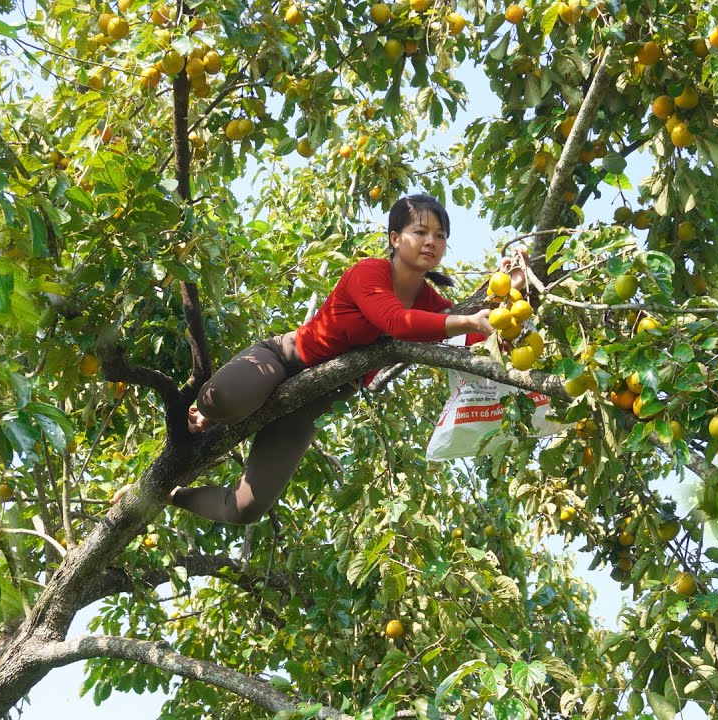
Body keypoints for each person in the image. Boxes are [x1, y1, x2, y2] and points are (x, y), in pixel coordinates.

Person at [165, 194, 521, 525]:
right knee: (221, 400)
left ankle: (169, 493)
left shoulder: (430, 302)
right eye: (420, 231)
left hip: (314, 404)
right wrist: (469, 319)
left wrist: (509, 288)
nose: (432, 241)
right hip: (285, 360)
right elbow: (395, 321)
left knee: (245, 509)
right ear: (395, 238)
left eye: (440, 235)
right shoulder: (367, 272)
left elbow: (478, 337)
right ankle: (206, 417)